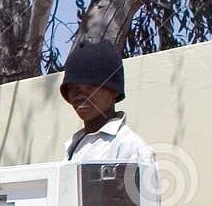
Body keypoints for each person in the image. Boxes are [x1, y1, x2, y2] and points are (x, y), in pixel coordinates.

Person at [60, 39, 156, 168]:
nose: (79, 96)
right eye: (73, 89)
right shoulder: (74, 145)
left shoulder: (130, 147)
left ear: (114, 91)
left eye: (90, 88)